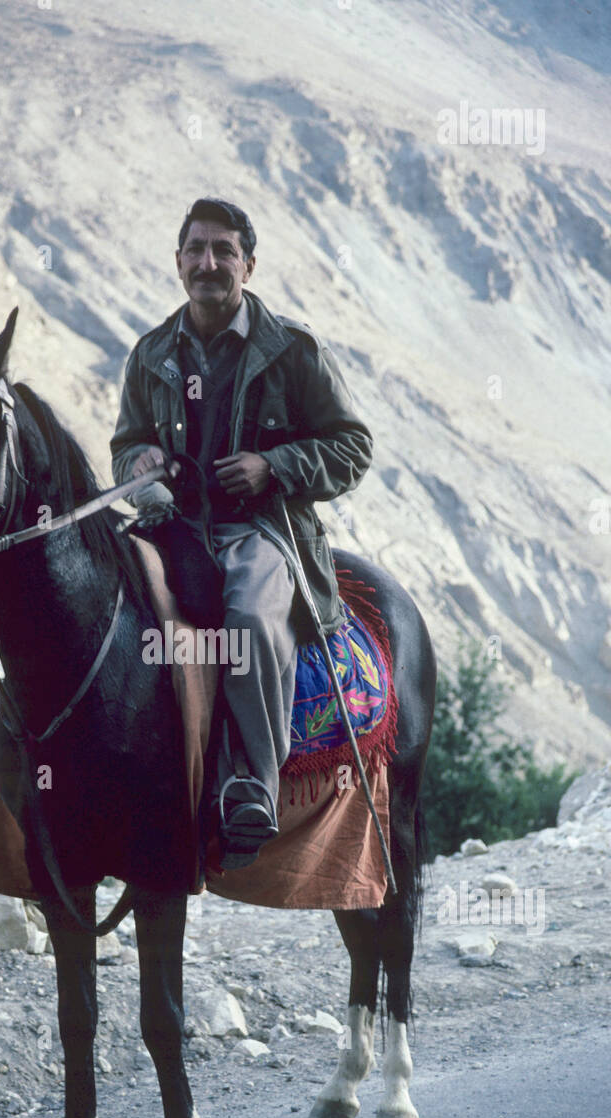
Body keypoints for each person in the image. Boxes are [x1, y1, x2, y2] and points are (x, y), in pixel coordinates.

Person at [111, 197, 373, 868]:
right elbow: (127, 443)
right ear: (177, 263)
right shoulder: (150, 356)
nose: (208, 263)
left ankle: (250, 785)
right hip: (170, 527)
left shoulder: (293, 350)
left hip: (262, 530)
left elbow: (352, 447)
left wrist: (274, 465)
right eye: (196, 249)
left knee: (252, 619)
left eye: (223, 251)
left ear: (248, 265)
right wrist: (138, 466)